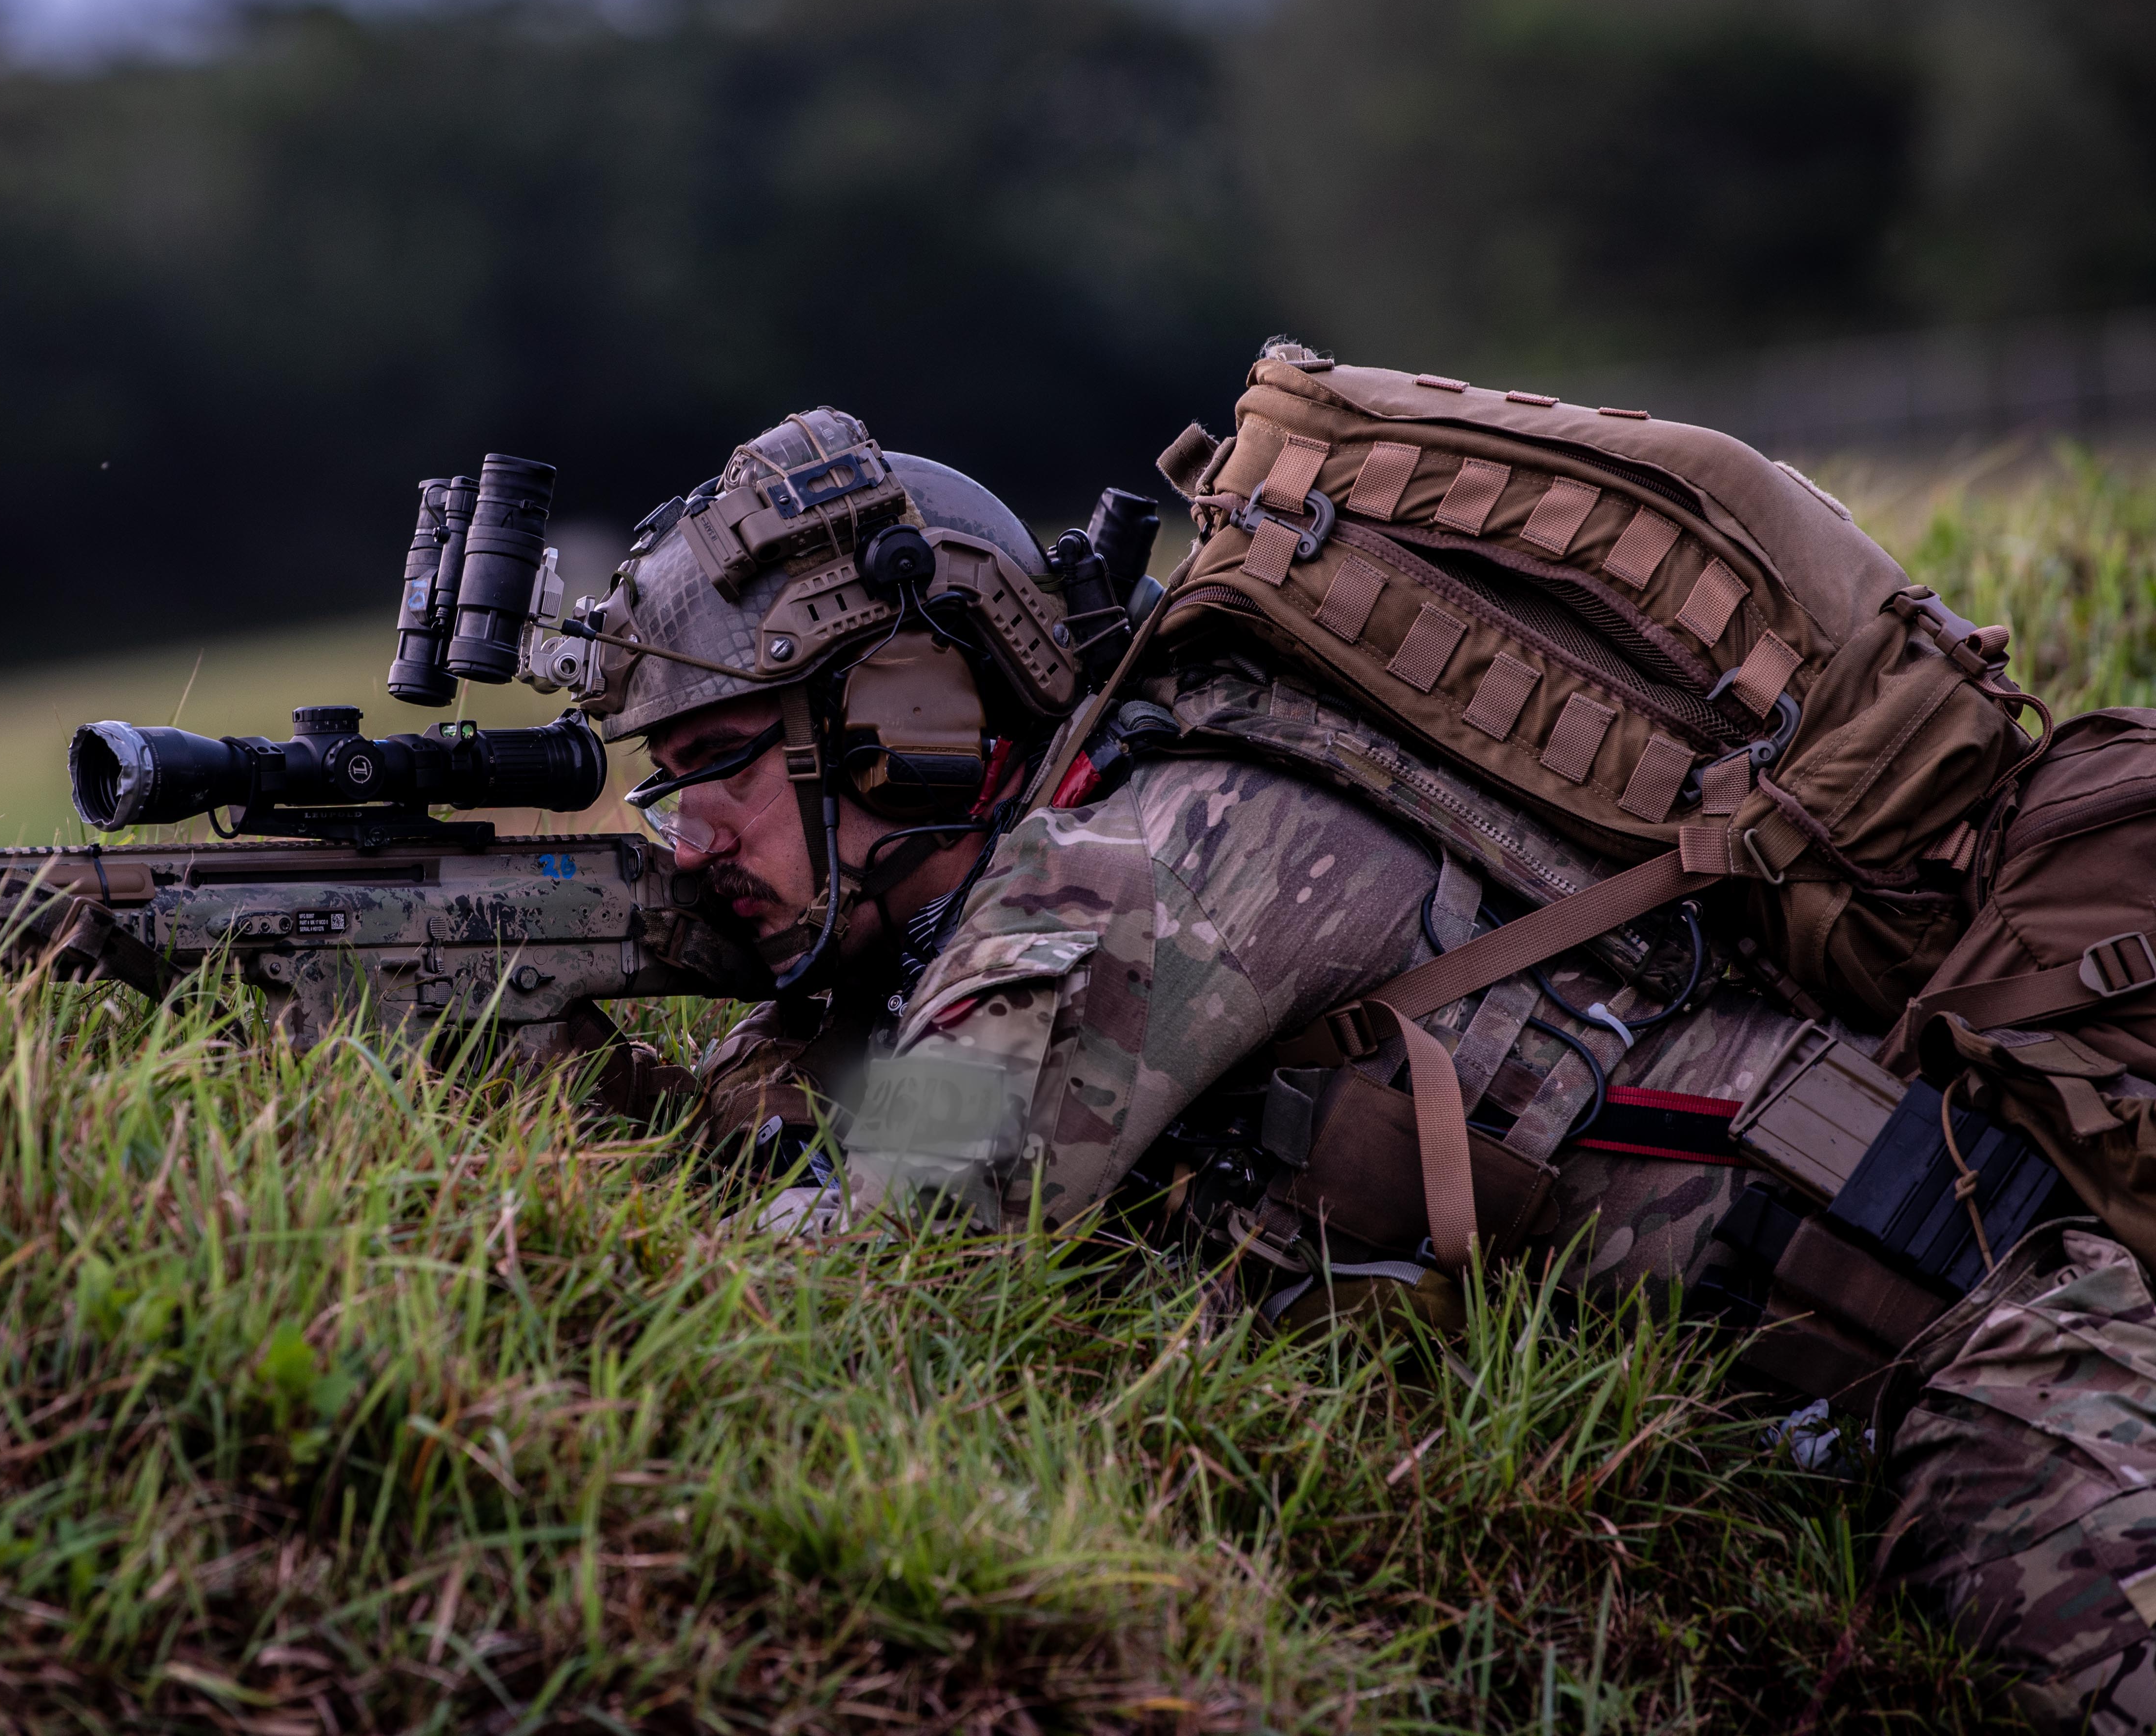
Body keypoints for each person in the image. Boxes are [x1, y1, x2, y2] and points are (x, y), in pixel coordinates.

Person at [567, 399, 2156, 1733]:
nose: (691, 838)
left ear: (905, 724)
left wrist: (592, 1106)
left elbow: (896, 1247)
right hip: (1847, 1422)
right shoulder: (1070, 858)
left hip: (2011, 1364)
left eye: (716, 767)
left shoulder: (1144, 859)